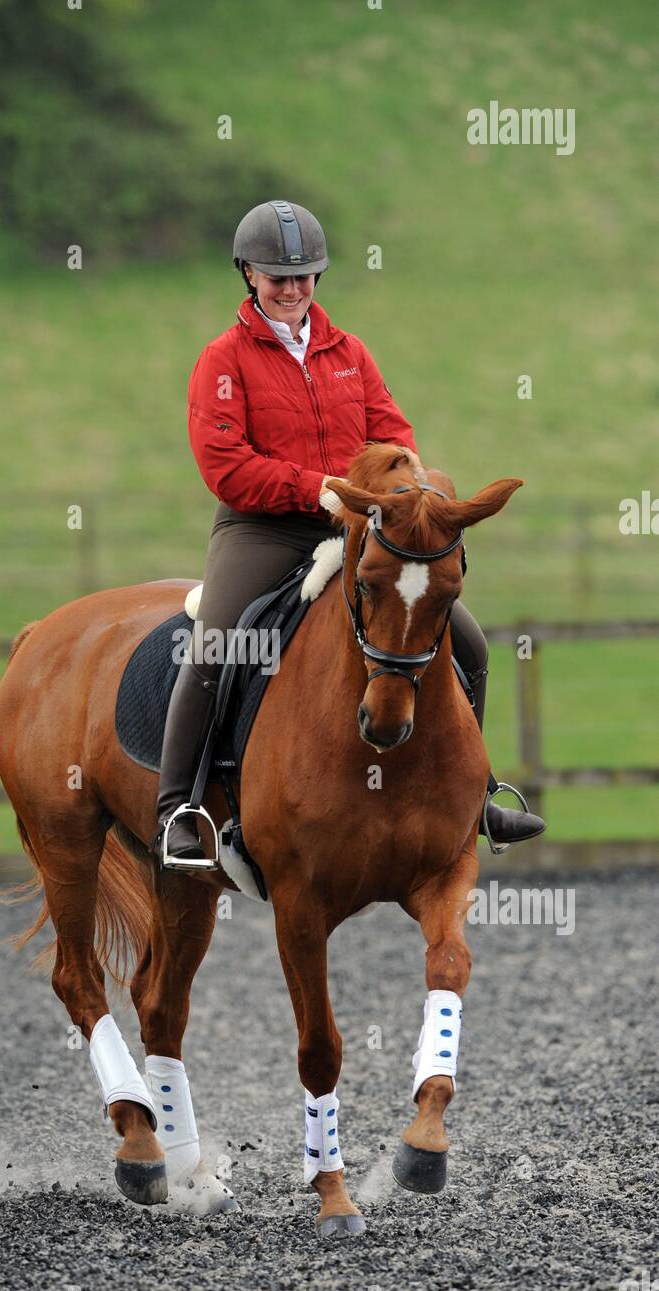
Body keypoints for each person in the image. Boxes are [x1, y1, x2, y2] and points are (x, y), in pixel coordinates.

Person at [152, 199, 545, 868]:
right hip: (265, 527)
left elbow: (392, 433)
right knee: (217, 642)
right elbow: (224, 463)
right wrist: (314, 488)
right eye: (277, 276)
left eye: (303, 276)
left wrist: (396, 491)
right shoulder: (223, 360)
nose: (291, 289)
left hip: (362, 527)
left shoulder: (347, 352)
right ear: (247, 274)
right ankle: (177, 812)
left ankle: (474, 796)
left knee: (467, 642)